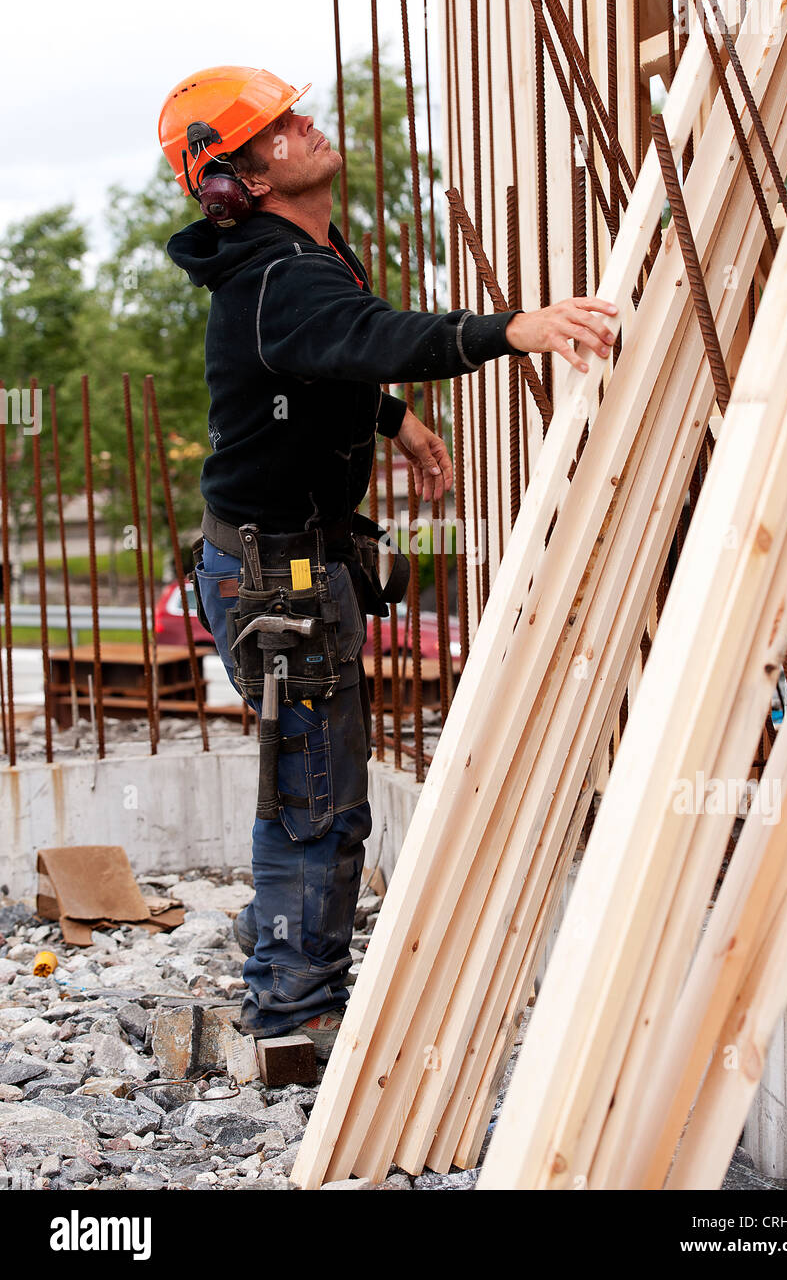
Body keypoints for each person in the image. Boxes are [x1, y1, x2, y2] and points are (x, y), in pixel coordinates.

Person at [158, 65, 617, 1055]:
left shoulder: (302, 258)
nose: (308, 125)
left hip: (288, 560)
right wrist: (514, 329)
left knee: (319, 787)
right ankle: (291, 1019)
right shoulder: (280, 274)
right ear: (240, 175)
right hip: (276, 575)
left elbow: (331, 360)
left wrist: (394, 420)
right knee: (316, 798)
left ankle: (292, 980)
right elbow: (369, 335)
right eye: (282, 126)